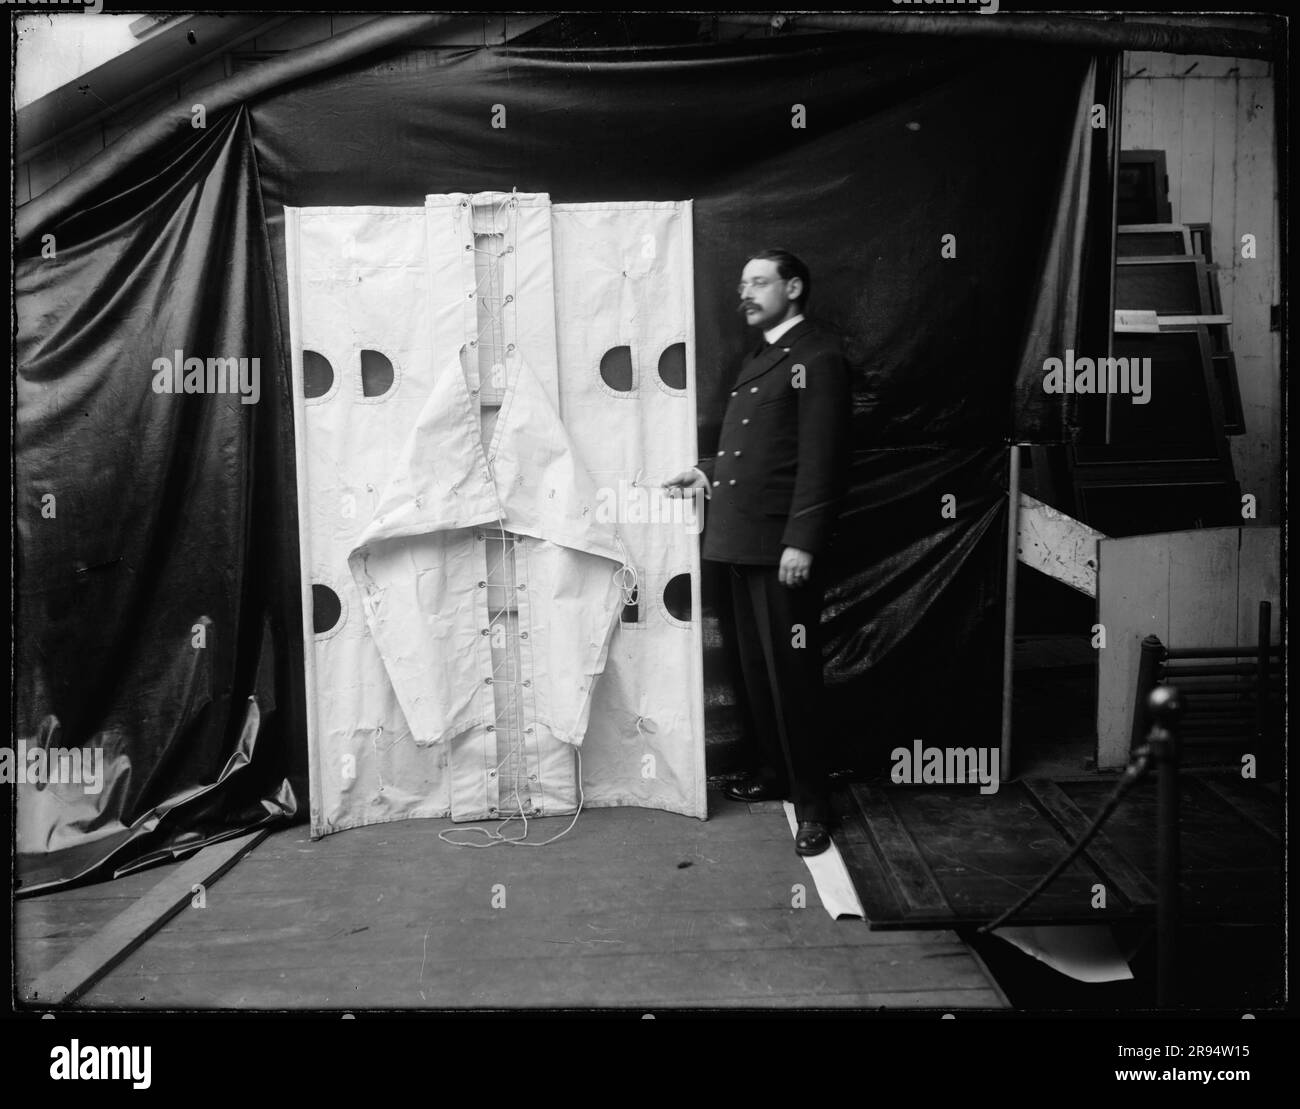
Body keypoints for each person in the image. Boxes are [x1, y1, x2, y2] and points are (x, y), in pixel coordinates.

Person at [665, 249, 851, 856]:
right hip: (740, 540)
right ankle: (774, 773)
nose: (745, 292)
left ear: (794, 287)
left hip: (780, 546)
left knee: (792, 676)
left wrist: (803, 538)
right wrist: (706, 470)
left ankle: (814, 803)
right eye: (742, 282)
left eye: (760, 282)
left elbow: (822, 459)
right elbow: (756, 455)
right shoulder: (762, 357)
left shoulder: (817, 357)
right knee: (754, 672)